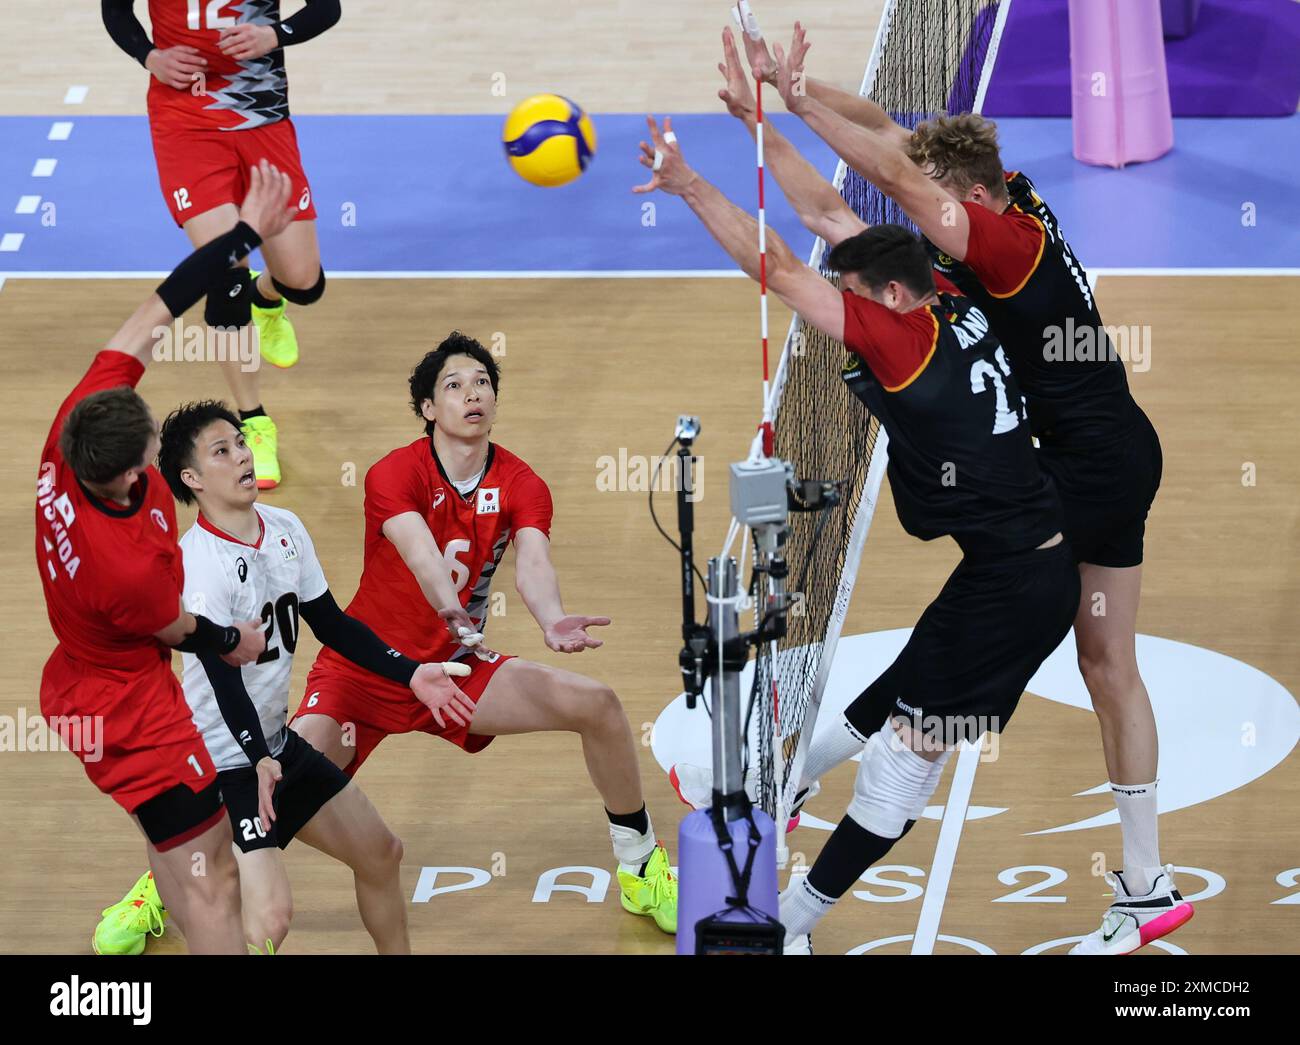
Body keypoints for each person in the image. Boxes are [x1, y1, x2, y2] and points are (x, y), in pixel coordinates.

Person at [734, 17, 1187, 954]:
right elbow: (893, 148)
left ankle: (856, 804)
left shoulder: (1006, 247)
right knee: (1066, 650)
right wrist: (796, 96)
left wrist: (773, 115)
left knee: (1029, 628)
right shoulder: (999, 192)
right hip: (1110, 448)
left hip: (1086, 468)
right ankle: (1143, 884)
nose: (931, 226)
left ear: (972, 198)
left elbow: (897, 177)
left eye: (945, 211)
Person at [637, 115, 1078, 952]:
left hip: (1017, 593)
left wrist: (691, 185)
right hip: (1011, 568)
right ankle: (782, 791)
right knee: (891, 701)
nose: (841, 310)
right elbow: (830, 223)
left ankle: (790, 928)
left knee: (902, 767)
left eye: (854, 300)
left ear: (893, 299)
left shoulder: (902, 335)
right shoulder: (941, 293)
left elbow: (777, 268)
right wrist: (761, 117)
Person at [290, 333, 679, 936]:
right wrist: (451, 610)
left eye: (482, 382)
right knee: (274, 784)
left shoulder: (523, 482)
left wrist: (551, 620)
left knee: (597, 705)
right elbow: (421, 553)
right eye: (454, 385)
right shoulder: (395, 472)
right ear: (428, 409)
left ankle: (640, 867)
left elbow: (533, 561)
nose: (472, 394)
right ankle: (172, 881)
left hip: (456, 673)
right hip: (368, 671)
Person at [93, 402, 477, 955]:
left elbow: (332, 624)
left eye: (242, 443)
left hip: (274, 747)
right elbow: (223, 680)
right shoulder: (197, 564)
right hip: (224, 763)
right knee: (269, 918)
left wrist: (412, 673)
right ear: (192, 479)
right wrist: (258, 759)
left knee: (381, 852)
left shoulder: (285, 527)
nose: (243, 456)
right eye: (221, 451)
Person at [40, 162, 295, 954]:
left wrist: (243, 236)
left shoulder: (68, 434)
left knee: (173, 845)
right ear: (126, 476)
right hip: (128, 709)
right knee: (209, 875)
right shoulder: (127, 565)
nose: (162, 443)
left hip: (85, 678)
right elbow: (182, 627)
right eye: (155, 448)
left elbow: (156, 308)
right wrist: (237, 640)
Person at [102, 0, 343, 489]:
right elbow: (115, 10)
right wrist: (150, 56)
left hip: (261, 116)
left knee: (304, 282)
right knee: (226, 271)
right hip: (184, 122)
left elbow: (327, 8)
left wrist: (277, 34)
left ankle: (268, 299)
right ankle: (254, 422)